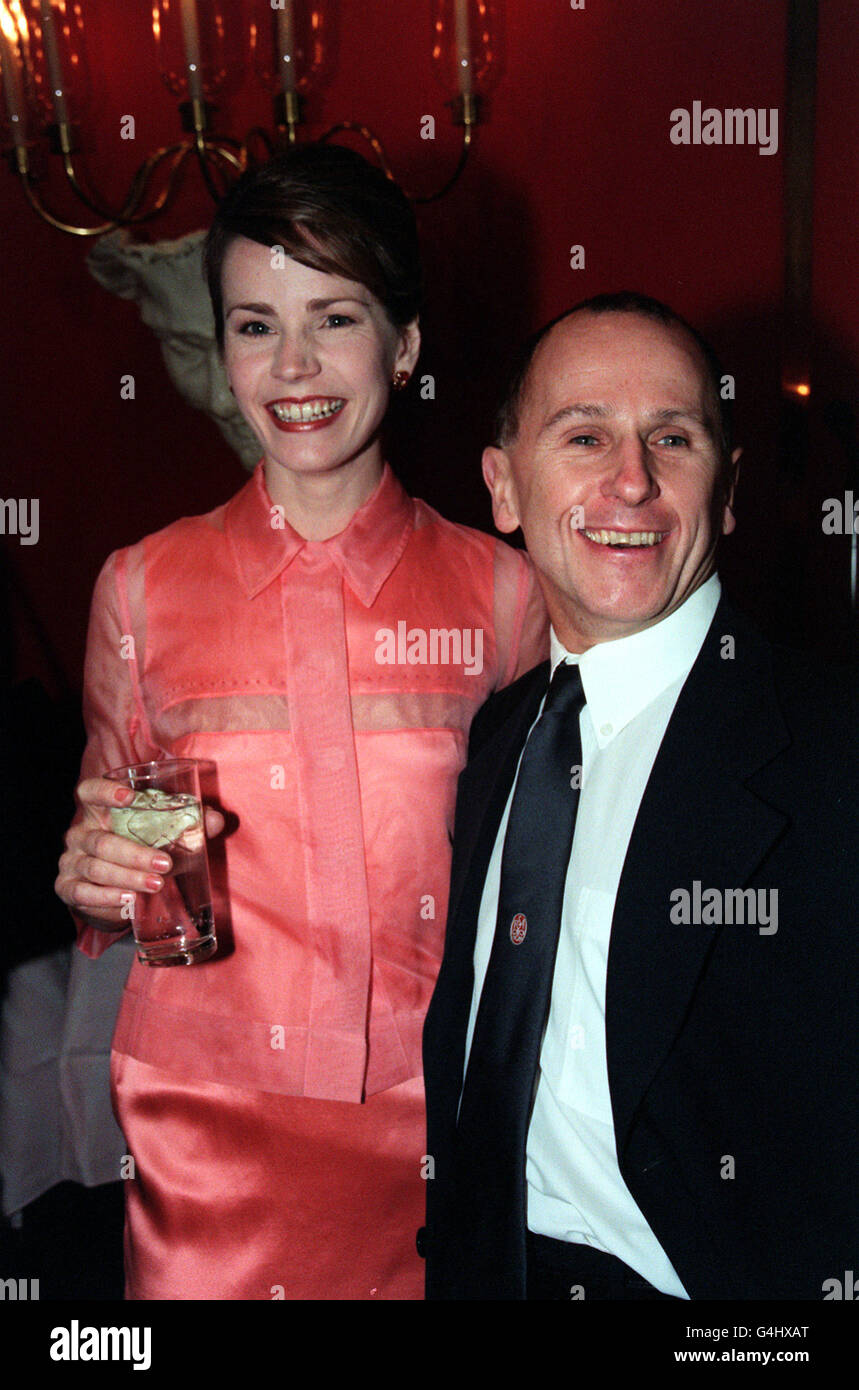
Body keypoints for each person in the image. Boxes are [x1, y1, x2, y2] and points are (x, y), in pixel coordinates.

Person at [54, 144, 547, 1300]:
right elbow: (115, 877)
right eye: (254, 326)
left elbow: (538, 888)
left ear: (404, 344)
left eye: (334, 317)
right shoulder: (139, 586)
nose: (292, 366)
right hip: (204, 1129)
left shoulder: (503, 594)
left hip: (436, 1122)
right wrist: (94, 881)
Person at [422, 292, 858, 1300]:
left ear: (727, 490)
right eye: (585, 437)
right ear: (503, 488)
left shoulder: (830, 750)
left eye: (672, 438)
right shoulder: (500, 737)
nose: (631, 481)